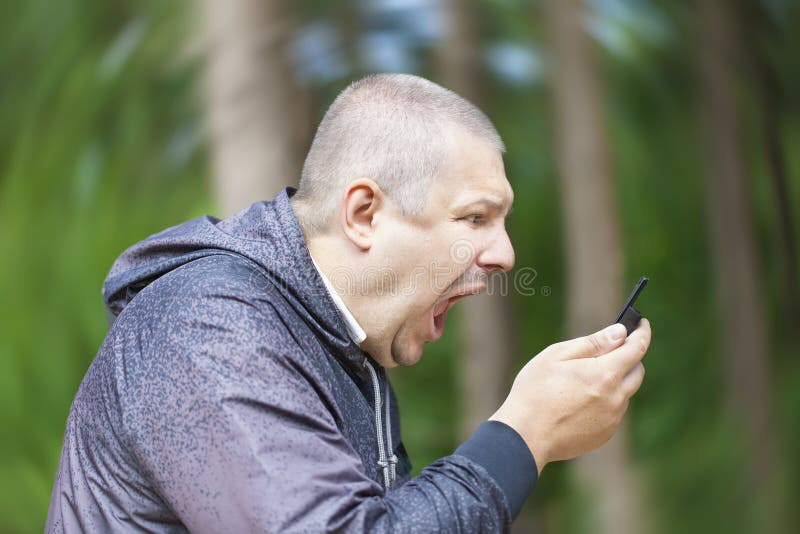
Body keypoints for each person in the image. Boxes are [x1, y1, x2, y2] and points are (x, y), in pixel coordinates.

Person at [46, 73, 650, 532]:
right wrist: (525, 433)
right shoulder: (206, 326)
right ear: (363, 214)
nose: (506, 255)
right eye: (475, 218)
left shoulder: (336, 346)